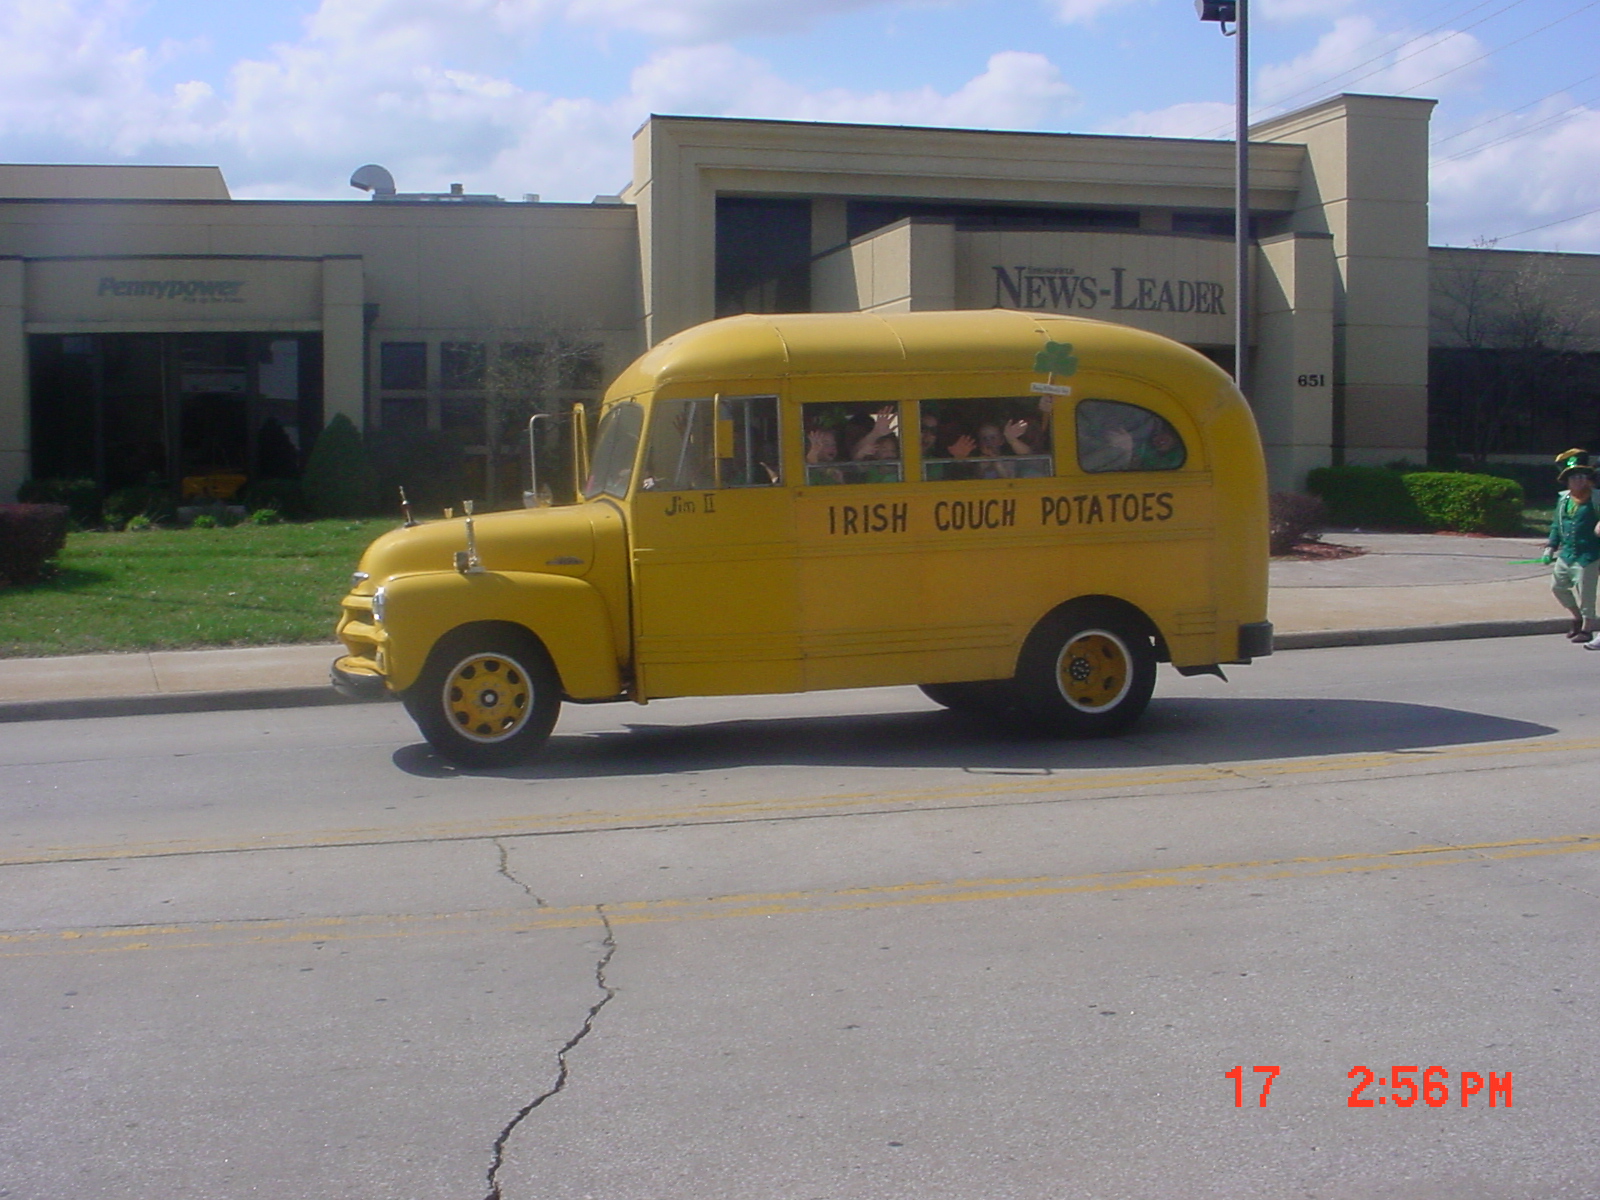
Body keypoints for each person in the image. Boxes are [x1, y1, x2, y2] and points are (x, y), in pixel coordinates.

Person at [1544, 449, 1600, 643]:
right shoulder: (1564, 499)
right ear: (1567, 481)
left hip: (1589, 556)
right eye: (1573, 477)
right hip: (1567, 554)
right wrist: (1550, 547)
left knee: (1587, 595)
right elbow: (1556, 525)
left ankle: (1587, 628)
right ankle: (1576, 617)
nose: (1578, 480)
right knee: (1558, 587)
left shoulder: (1596, 498)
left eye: (1582, 476)